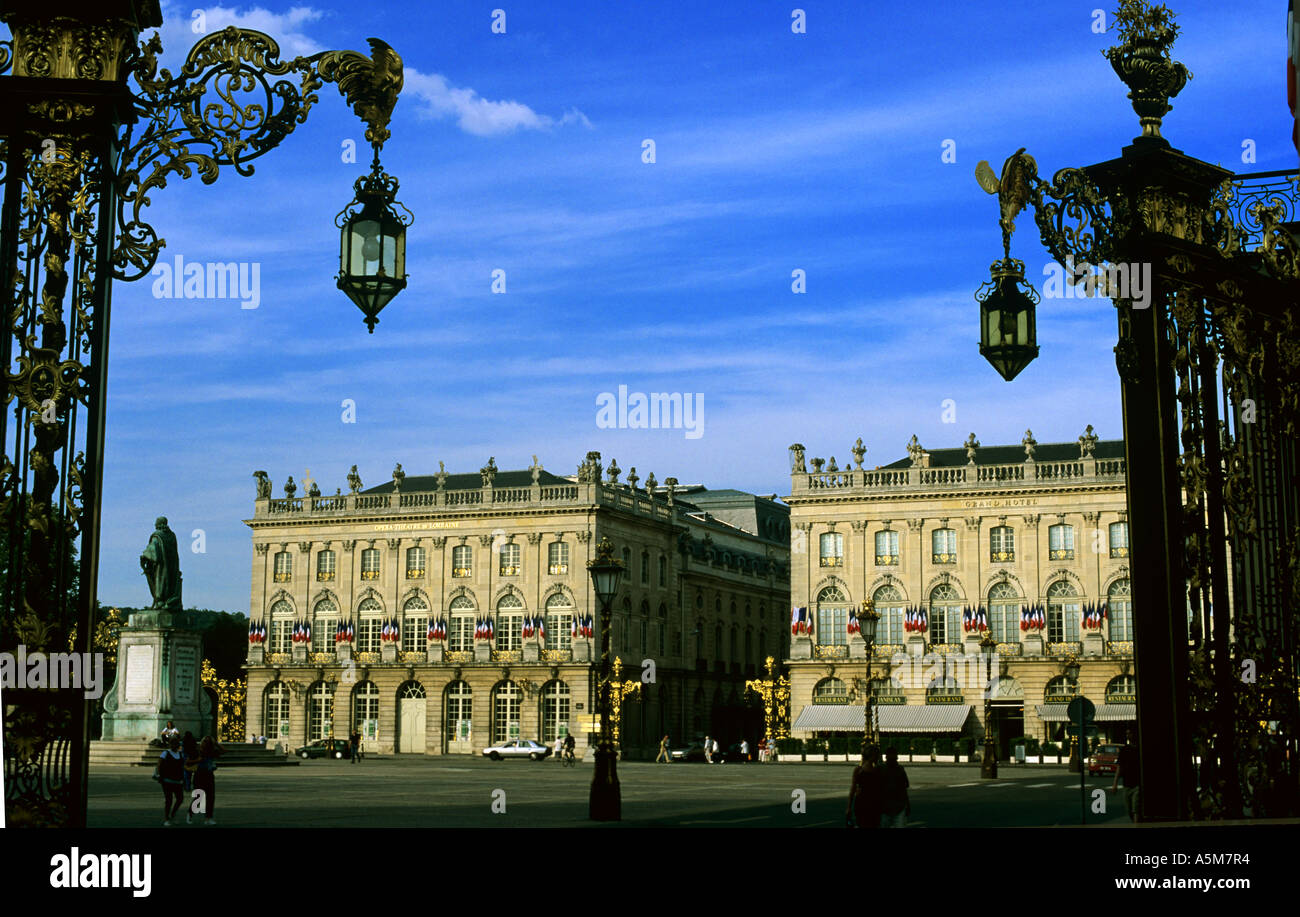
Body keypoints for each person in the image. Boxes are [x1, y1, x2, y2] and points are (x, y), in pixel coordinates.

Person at [847, 744, 885, 828]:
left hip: (861, 802)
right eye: (877, 756)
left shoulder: (859, 770)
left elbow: (853, 789)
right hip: (873, 803)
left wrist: (849, 807)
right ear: (872, 756)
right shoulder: (878, 770)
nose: (878, 758)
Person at [1111, 728, 1141, 822]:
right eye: (1127, 733)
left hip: (1138, 784)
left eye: (1130, 733)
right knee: (1129, 810)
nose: (1128, 735)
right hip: (1127, 784)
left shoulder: (1140, 749)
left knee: (1136, 808)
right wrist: (1115, 784)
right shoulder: (1125, 749)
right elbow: (1119, 767)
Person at [193, 736, 223, 826]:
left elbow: (224, 751)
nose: (207, 743)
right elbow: (189, 761)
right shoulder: (198, 751)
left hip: (209, 776)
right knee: (199, 797)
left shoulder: (212, 751)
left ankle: (208, 817)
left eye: (209, 742)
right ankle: (190, 813)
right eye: (206, 741)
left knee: (210, 797)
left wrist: (216, 744)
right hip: (199, 775)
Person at [156, 737, 186, 826]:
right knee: (169, 800)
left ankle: (172, 814)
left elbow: (182, 767)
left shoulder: (180, 754)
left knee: (180, 799)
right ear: (170, 744)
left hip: (178, 780)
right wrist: (159, 775)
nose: (175, 745)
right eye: (173, 743)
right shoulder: (165, 753)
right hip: (167, 780)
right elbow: (159, 764)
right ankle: (166, 818)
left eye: (176, 743)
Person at [879, 747, 911, 827]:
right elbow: (904, 788)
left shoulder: (881, 769)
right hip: (896, 806)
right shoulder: (900, 769)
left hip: (887, 807)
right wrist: (907, 804)